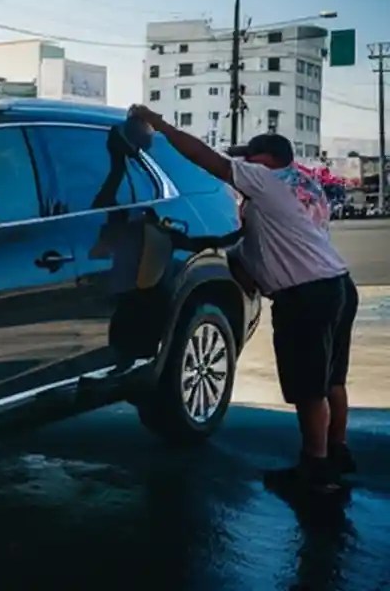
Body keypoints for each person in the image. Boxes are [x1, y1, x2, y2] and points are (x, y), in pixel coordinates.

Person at [127, 104, 358, 497]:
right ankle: (337, 451)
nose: (243, 168)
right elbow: (258, 242)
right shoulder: (306, 185)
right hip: (338, 285)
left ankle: (314, 469)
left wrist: (160, 125)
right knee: (332, 379)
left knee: (308, 387)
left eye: (249, 158)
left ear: (265, 161)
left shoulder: (265, 181)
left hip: (306, 295)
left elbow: (207, 159)